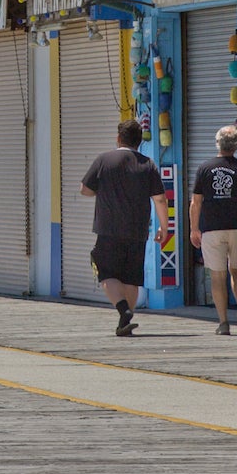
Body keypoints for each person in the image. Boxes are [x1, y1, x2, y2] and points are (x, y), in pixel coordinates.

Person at [80, 118, 169, 337]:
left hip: (108, 229)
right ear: (139, 141)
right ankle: (124, 323)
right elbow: (160, 199)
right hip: (137, 231)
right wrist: (164, 228)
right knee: (131, 278)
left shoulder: (104, 160)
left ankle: (123, 310)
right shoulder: (148, 164)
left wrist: (102, 191)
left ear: (118, 138)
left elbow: (85, 189)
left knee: (106, 273)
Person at [191, 124, 237, 335]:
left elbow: (195, 202)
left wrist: (194, 229)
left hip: (212, 230)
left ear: (218, 144)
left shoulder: (204, 168)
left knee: (217, 276)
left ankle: (223, 323)